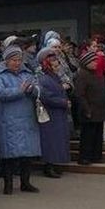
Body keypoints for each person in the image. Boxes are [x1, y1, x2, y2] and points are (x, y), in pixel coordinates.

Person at [0, 45, 41, 195]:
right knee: (9, 154)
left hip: (27, 118)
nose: (17, 63)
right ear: (6, 60)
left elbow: (39, 89)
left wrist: (32, 90)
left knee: (27, 153)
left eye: (19, 60)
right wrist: (20, 91)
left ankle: (26, 182)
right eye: (14, 60)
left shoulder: (27, 73)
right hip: (9, 119)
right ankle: (8, 184)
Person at [36, 48, 71, 178]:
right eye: (54, 66)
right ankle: (49, 166)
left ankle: (54, 164)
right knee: (51, 141)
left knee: (56, 140)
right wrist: (63, 102)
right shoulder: (44, 79)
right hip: (51, 114)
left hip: (57, 113)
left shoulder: (53, 77)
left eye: (57, 65)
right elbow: (46, 97)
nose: (57, 68)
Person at [74, 50, 105, 164]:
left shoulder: (96, 73)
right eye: (93, 61)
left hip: (99, 109)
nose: (96, 63)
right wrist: (87, 109)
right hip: (89, 110)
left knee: (98, 134)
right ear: (86, 63)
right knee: (88, 135)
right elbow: (80, 94)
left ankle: (97, 155)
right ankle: (85, 157)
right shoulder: (82, 75)